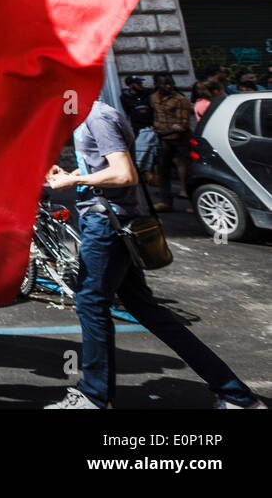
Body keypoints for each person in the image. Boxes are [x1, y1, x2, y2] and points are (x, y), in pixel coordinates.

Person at [44, 99, 264, 409]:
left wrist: (75, 180)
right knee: (146, 309)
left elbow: (124, 174)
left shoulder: (97, 116)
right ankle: (235, 394)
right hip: (112, 221)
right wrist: (74, 173)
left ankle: (94, 396)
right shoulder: (91, 115)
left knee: (91, 304)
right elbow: (107, 166)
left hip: (107, 225)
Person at [149, 74, 191, 212]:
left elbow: (183, 124)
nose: (169, 86)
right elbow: (156, 115)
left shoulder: (180, 100)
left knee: (188, 170)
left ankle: (193, 203)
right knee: (163, 170)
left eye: (170, 84)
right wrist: (155, 126)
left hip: (181, 139)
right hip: (165, 139)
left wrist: (163, 132)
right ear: (156, 84)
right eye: (165, 84)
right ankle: (166, 201)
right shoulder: (154, 97)